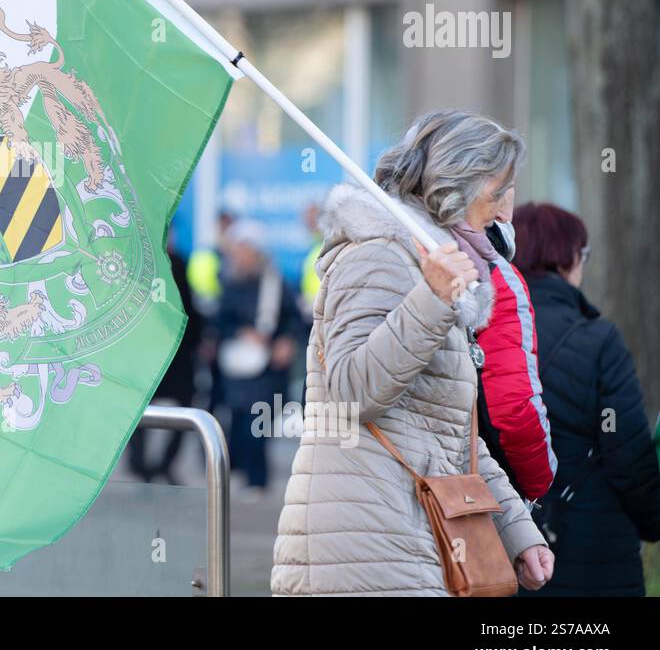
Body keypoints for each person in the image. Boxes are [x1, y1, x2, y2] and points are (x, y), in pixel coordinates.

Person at [272, 110, 552, 596]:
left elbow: (452, 433)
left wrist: (519, 533)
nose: (507, 212)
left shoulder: (433, 265)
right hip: (364, 546)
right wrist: (432, 300)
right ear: (455, 188)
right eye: (498, 192)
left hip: (408, 536)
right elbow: (352, 392)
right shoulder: (379, 253)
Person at [513, 203, 660, 596]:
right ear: (566, 257)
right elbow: (628, 455)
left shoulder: (480, 332)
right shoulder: (599, 341)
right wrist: (653, 519)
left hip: (505, 550)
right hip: (593, 554)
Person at [465, 189, 556, 501]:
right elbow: (514, 410)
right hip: (462, 497)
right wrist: (538, 486)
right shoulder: (494, 275)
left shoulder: (366, 250)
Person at [215, 219, 298, 500]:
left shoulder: (275, 284)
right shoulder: (231, 282)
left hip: (266, 369)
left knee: (257, 421)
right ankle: (242, 475)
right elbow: (220, 321)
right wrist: (241, 331)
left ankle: (258, 479)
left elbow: (292, 319)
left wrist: (285, 341)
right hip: (237, 366)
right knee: (237, 421)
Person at [128, 241, 200, 484]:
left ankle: (161, 465)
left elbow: (187, 308)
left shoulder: (176, 263)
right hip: (150, 353)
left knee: (182, 407)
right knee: (139, 410)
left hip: (174, 354)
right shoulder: (136, 262)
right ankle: (141, 465)